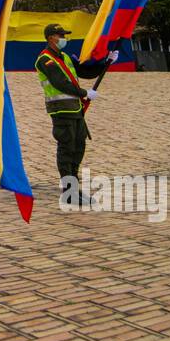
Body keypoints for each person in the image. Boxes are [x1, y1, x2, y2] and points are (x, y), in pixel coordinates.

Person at [35, 24, 116, 207]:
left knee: (78, 147)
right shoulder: (45, 60)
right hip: (61, 110)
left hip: (75, 109)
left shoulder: (64, 57)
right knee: (67, 149)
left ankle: (75, 189)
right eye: (60, 35)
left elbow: (84, 71)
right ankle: (68, 192)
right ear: (50, 38)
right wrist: (84, 93)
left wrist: (106, 62)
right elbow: (60, 83)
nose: (64, 38)